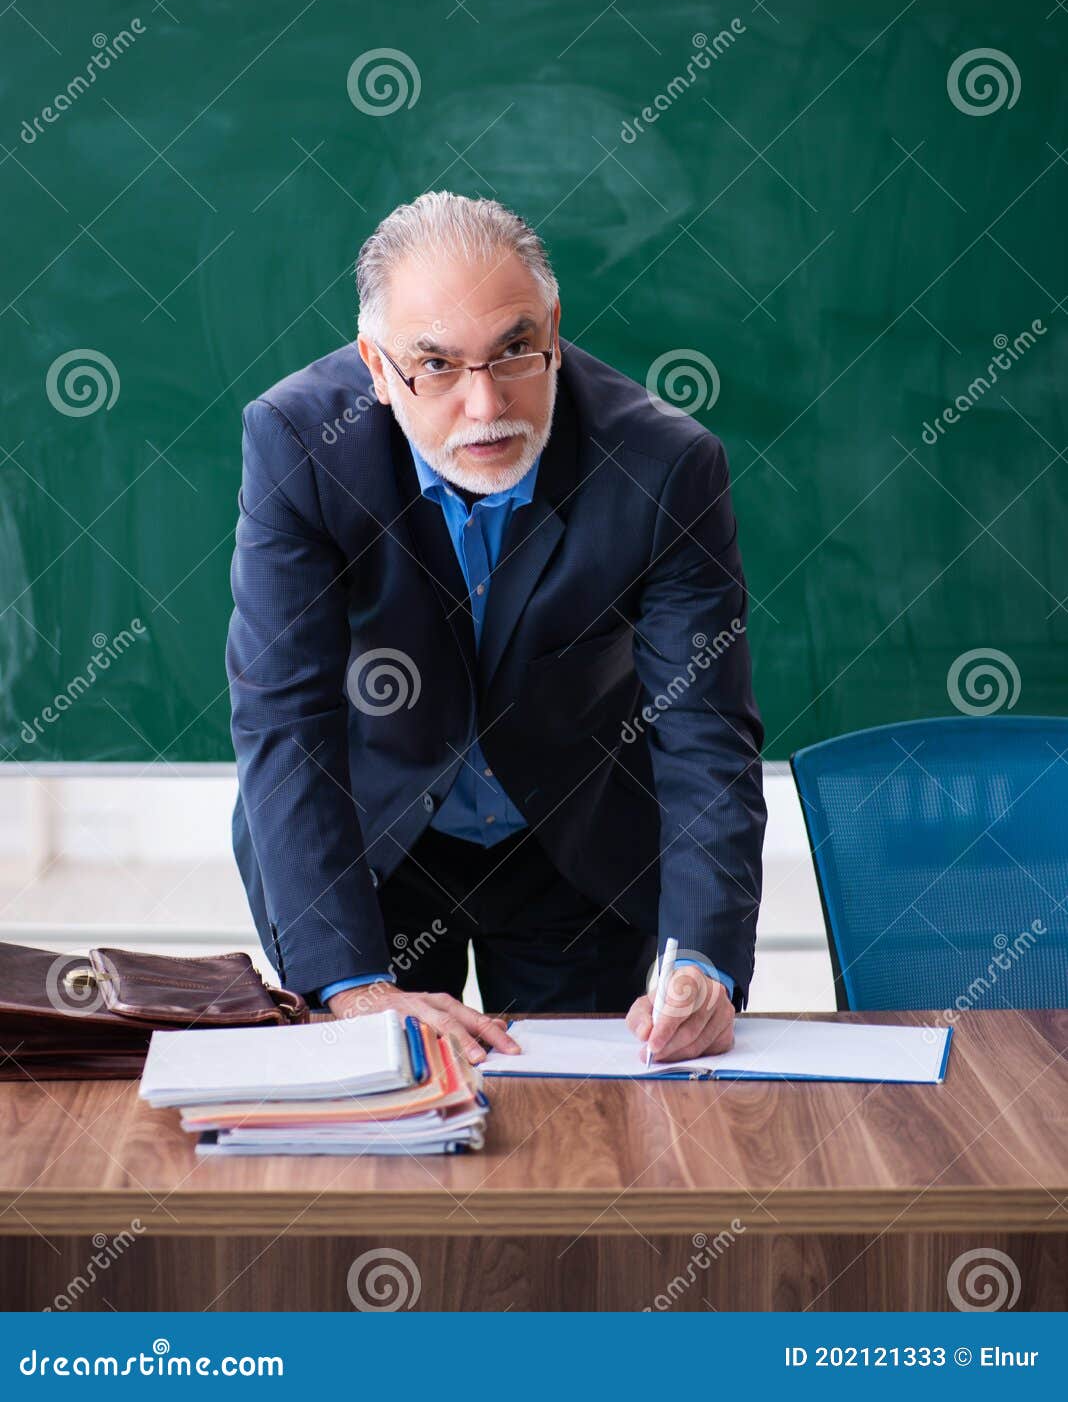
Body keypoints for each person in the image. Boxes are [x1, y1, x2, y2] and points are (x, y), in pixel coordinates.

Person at [226, 191, 767, 1065]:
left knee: (589, 1136)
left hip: (573, 844)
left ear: (554, 326)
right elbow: (285, 721)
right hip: (370, 842)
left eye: (516, 350)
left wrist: (704, 960)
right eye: (436, 365)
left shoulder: (666, 465)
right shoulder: (301, 442)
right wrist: (350, 987)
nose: (485, 407)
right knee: (378, 1129)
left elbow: (703, 728)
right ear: (375, 363)